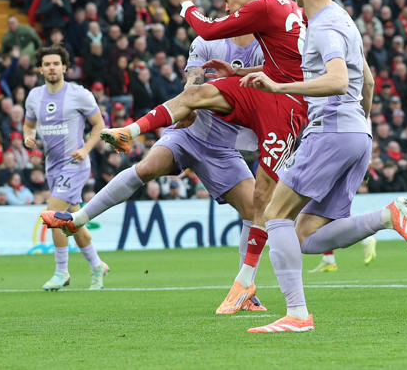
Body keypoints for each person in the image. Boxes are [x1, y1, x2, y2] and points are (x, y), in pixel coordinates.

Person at [219, 0, 407, 333]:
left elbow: (338, 80)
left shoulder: (324, 26)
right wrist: (360, 123)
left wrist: (280, 89)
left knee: (273, 215)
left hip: (330, 130)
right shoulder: (344, 20)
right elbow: (367, 80)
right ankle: (388, 216)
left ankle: (297, 314)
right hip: (354, 134)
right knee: (306, 236)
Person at [98, 0, 308, 295]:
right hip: (268, 94)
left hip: (285, 104)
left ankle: (259, 287)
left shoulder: (260, 8)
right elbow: (277, 66)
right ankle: (130, 130)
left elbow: (208, 28)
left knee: (274, 209)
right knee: (194, 97)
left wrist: (186, 5)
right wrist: (239, 72)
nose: (226, 7)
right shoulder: (282, 7)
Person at [42, 34, 269, 311]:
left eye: (230, 1)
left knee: (255, 211)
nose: (228, 8)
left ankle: (245, 290)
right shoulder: (208, 39)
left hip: (223, 148)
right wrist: (189, 102)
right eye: (224, 1)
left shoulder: (265, 45)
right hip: (187, 133)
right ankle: (78, 219)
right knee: (146, 167)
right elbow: (194, 79)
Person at [23, 45, 110, 291]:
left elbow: (99, 126)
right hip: (52, 167)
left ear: (64, 67)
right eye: (46, 64)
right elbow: (28, 125)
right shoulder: (34, 97)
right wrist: (28, 136)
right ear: (40, 69)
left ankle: (62, 272)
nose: (51, 68)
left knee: (54, 214)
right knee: (74, 221)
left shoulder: (79, 94)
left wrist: (85, 149)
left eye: (56, 64)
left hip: (75, 164)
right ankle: (97, 265)